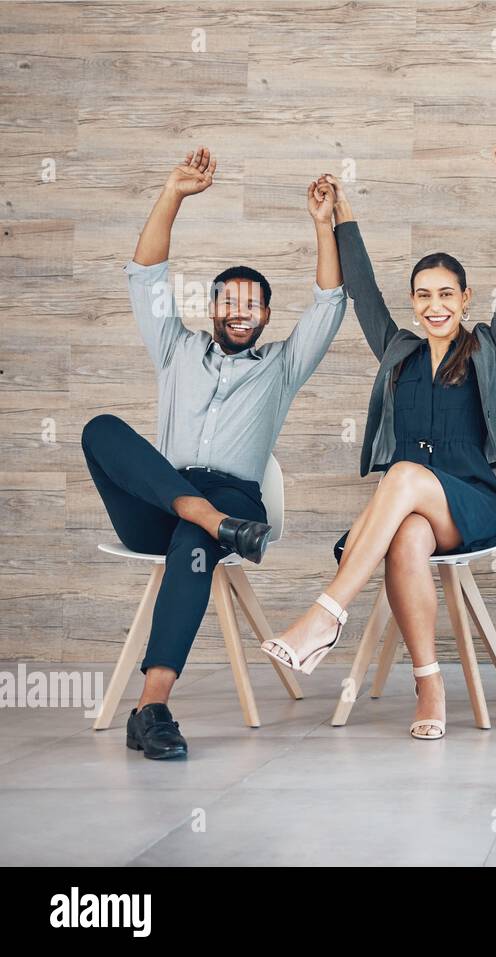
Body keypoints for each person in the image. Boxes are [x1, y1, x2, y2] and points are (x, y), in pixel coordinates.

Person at [81, 147, 347, 759]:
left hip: (233, 498)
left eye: (251, 304)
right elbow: (143, 273)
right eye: (228, 301)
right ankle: (211, 523)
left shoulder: (281, 366)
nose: (239, 311)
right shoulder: (176, 348)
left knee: (195, 545)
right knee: (100, 426)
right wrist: (172, 193)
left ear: (265, 315)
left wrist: (322, 225)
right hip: (161, 498)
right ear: (212, 309)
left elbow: (330, 305)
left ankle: (151, 709)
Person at [262, 149, 496, 741]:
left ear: (464, 299)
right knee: (406, 535)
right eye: (422, 295)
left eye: (445, 295)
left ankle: (325, 616)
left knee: (403, 474)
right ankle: (429, 683)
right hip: (414, 512)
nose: (433, 306)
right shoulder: (397, 352)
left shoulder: (489, 348)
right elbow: (360, 288)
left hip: (474, 505)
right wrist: (336, 214)